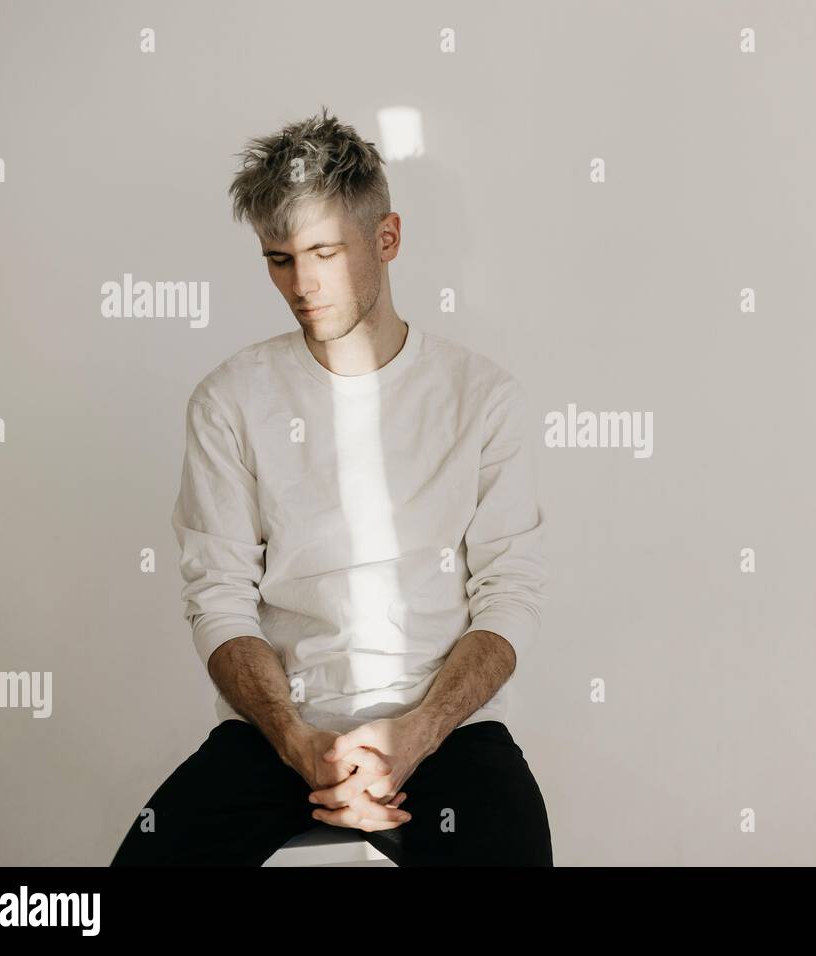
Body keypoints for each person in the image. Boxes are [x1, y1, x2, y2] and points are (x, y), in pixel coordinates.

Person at [110, 107, 552, 866]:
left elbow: (509, 594)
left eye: (323, 252)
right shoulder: (230, 400)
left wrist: (416, 733)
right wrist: (295, 739)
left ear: (387, 239)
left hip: (446, 732)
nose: (302, 286)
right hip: (281, 731)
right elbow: (218, 597)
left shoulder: (483, 398)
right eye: (280, 259)